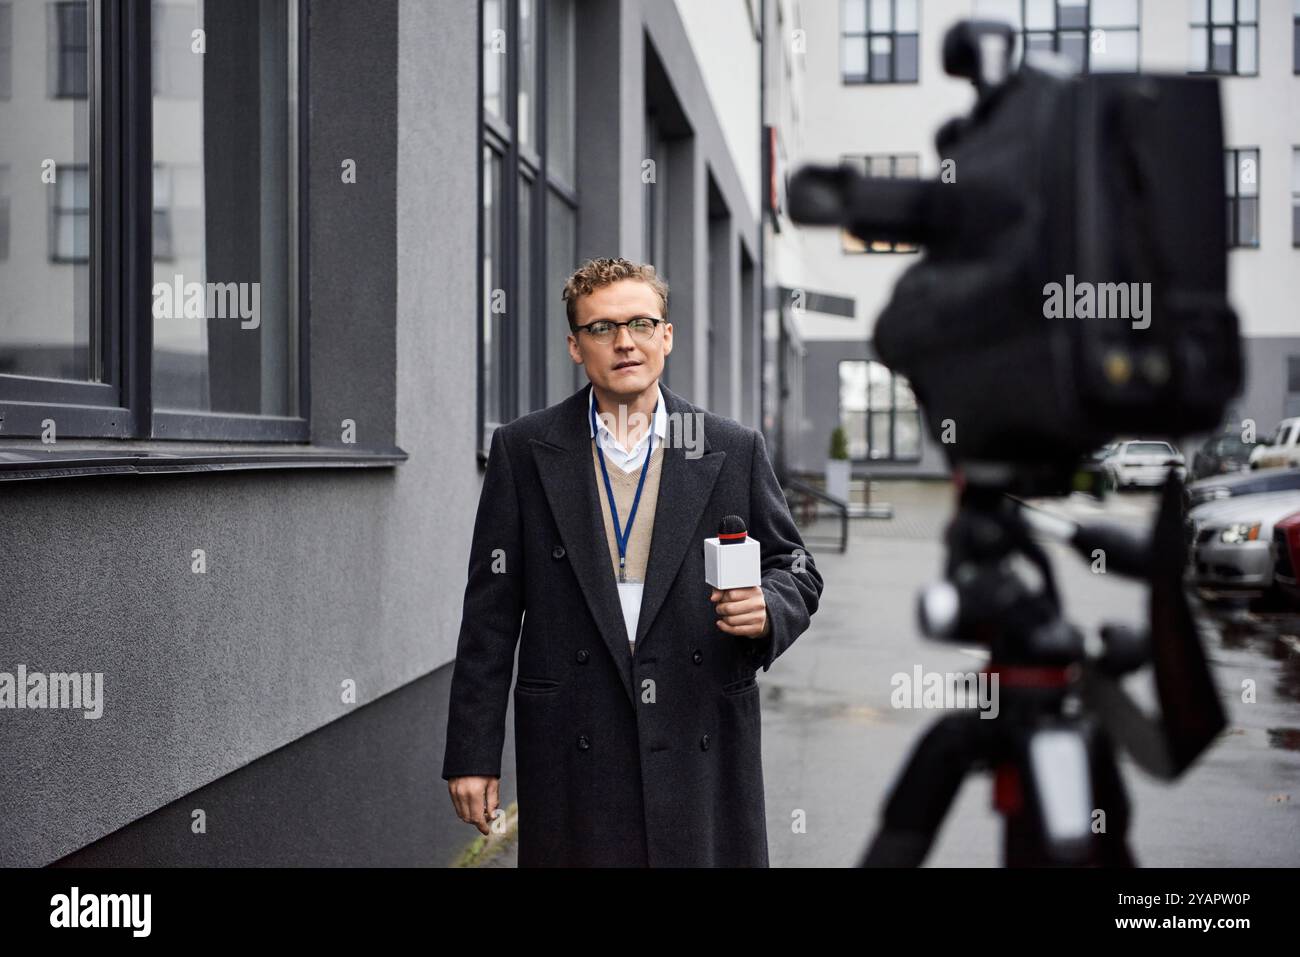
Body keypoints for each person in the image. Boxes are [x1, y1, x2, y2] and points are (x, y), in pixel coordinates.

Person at [442, 256, 823, 866]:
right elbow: (487, 617)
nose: (624, 342)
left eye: (642, 323)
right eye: (601, 328)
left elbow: (796, 565)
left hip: (697, 722)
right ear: (575, 345)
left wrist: (768, 607)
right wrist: (472, 754)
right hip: (574, 731)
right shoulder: (522, 449)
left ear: (665, 336)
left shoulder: (730, 446)